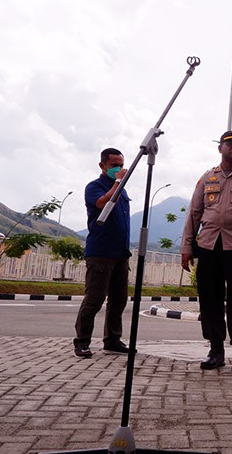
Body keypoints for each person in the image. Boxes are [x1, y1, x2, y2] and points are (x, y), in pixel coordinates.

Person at [181, 130, 232, 377]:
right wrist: (186, 246)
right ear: (220, 149)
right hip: (208, 246)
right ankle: (215, 351)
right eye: (230, 145)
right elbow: (194, 213)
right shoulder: (207, 177)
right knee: (210, 299)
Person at [73, 147, 132, 358]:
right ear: (102, 166)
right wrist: (117, 182)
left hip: (120, 253)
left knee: (119, 299)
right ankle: (81, 342)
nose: (118, 169)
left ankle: (113, 339)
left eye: (121, 165)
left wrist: (119, 185)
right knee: (94, 299)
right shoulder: (94, 186)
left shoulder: (123, 191)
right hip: (100, 252)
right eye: (113, 165)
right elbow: (101, 203)